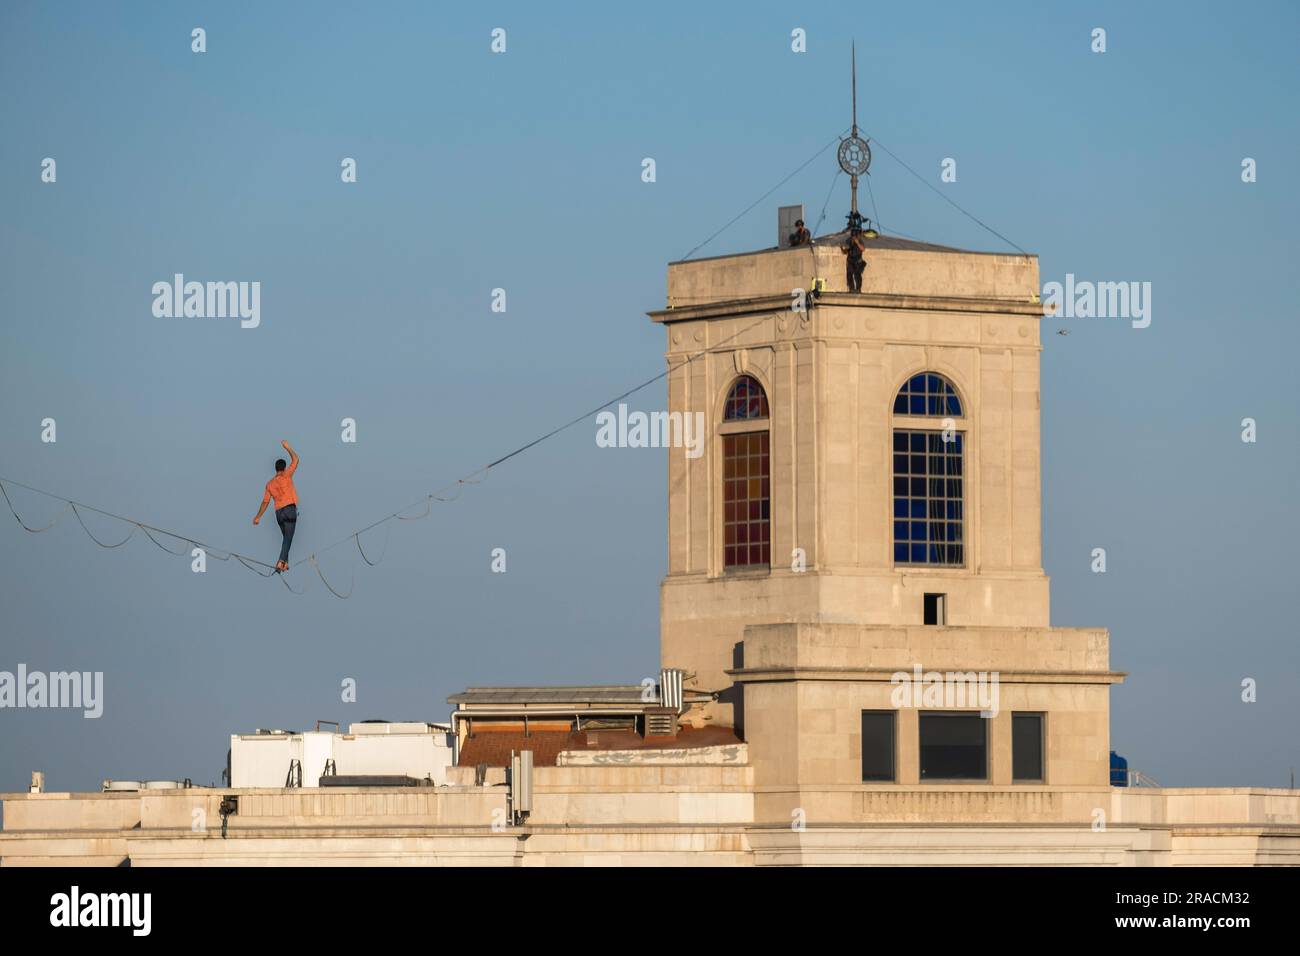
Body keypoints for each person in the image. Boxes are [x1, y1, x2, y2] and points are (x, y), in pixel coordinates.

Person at [253, 439, 299, 572]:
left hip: (279, 513)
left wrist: (258, 517)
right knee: (288, 538)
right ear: (284, 468)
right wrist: (288, 447)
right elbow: (296, 459)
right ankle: (281, 561)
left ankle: (285, 563)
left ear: (275, 468)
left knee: (286, 538)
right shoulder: (287, 475)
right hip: (289, 509)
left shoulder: (269, 484)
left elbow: (265, 502)